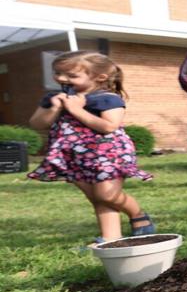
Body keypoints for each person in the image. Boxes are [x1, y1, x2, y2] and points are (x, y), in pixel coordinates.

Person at [27, 50, 155, 248]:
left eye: (71, 75)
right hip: (72, 155)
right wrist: (54, 108)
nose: (61, 79)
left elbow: (109, 126)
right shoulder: (54, 98)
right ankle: (110, 237)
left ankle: (137, 214)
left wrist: (76, 110)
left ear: (100, 77)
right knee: (96, 197)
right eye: (58, 73)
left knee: (107, 194)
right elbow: (37, 123)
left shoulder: (107, 99)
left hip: (107, 153)